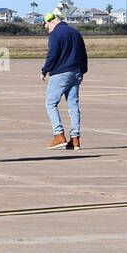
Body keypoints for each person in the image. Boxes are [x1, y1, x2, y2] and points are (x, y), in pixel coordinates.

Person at [42, 11, 89, 149]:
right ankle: (75, 139)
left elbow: (52, 55)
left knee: (51, 103)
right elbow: (83, 54)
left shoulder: (55, 34)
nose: (48, 30)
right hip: (76, 72)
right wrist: (82, 71)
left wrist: (45, 70)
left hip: (61, 73)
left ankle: (59, 135)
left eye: (47, 27)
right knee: (73, 105)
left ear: (51, 22)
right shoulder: (75, 33)